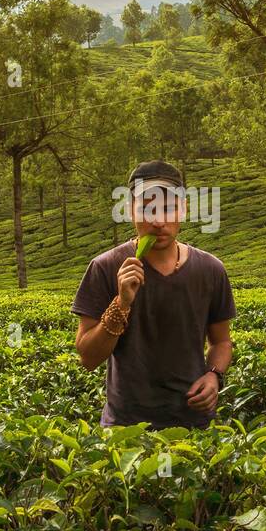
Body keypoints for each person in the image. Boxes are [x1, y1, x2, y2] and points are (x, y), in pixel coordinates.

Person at [72, 160, 235, 429]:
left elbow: (221, 342)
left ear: (183, 209)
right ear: (129, 210)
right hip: (126, 431)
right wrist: (122, 302)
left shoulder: (210, 269)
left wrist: (214, 375)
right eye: (148, 209)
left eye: (168, 208)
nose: (158, 221)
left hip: (194, 427)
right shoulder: (105, 267)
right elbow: (88, 358)